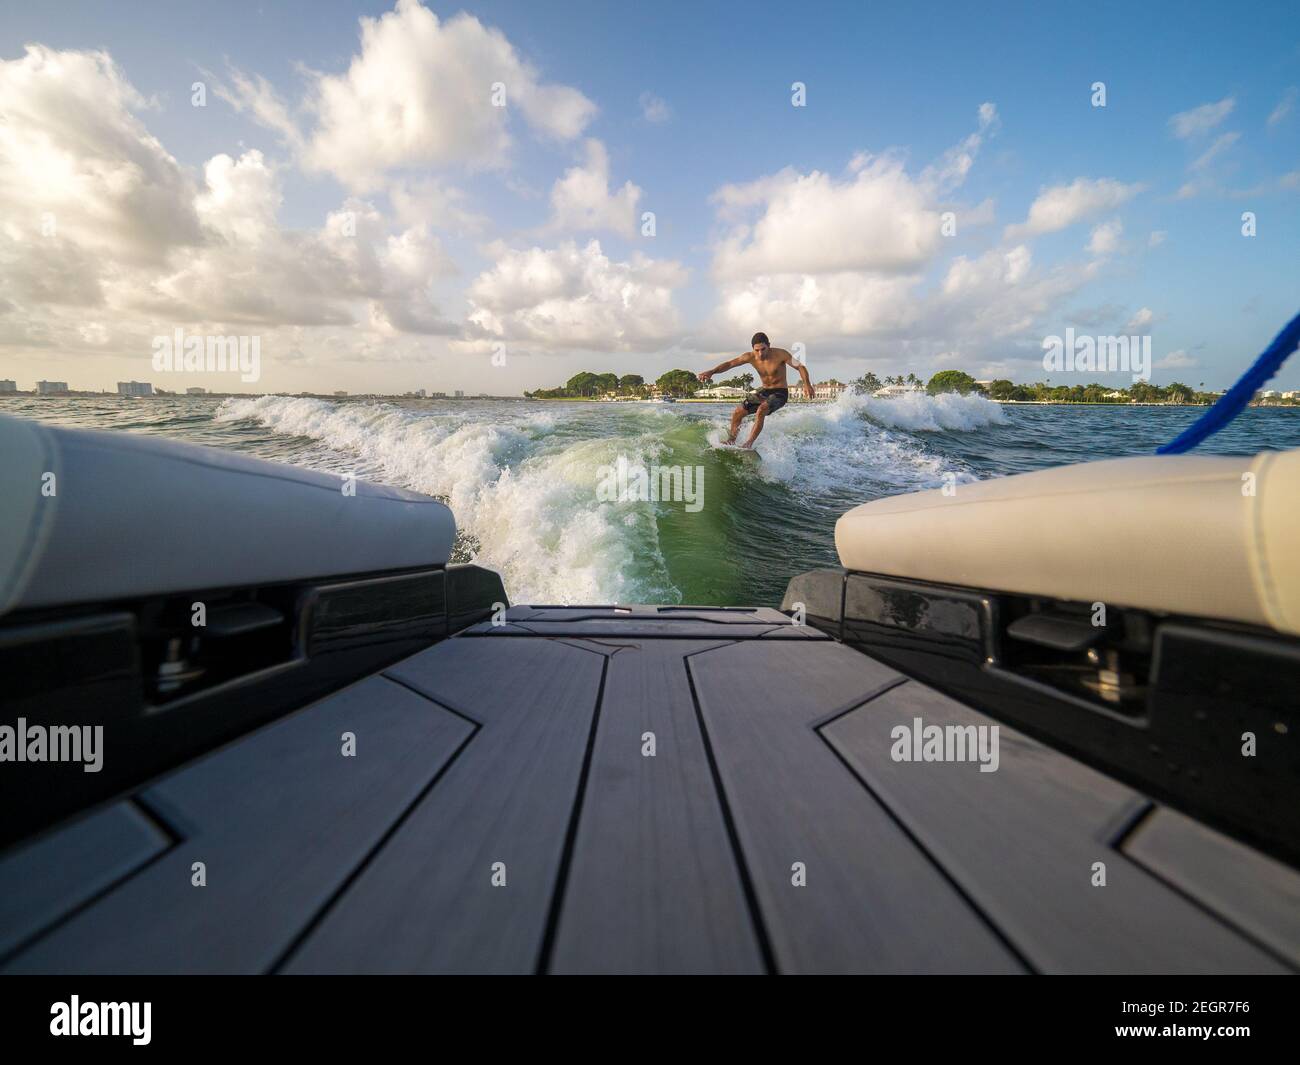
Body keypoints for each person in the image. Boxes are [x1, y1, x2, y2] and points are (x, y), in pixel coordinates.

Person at [697, 332, 814, 448]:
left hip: (780, 393)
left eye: (763, 349)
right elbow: (730, 363)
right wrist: (712, 372)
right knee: (738, 412)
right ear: (753, 349)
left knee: (761, 409)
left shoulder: (781, 354)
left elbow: (800, 366)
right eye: (757, 350)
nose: (760, 353)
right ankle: (731, 440)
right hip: (764, 391)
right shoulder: (750, 357)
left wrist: (807, 384)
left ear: (769, 345)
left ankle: (748, 444)